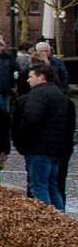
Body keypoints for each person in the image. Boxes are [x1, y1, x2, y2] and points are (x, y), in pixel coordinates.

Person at [12, 62, 73, 210]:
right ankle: (60, 219)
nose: (28, 80)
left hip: (39, 148)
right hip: (56, 148)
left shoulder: (37, 94)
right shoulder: (60, 94)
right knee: (53, 187)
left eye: (31, 76)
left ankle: (46, 219)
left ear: (42, 77)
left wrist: (22, 143)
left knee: (39, 187)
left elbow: (30, 120)